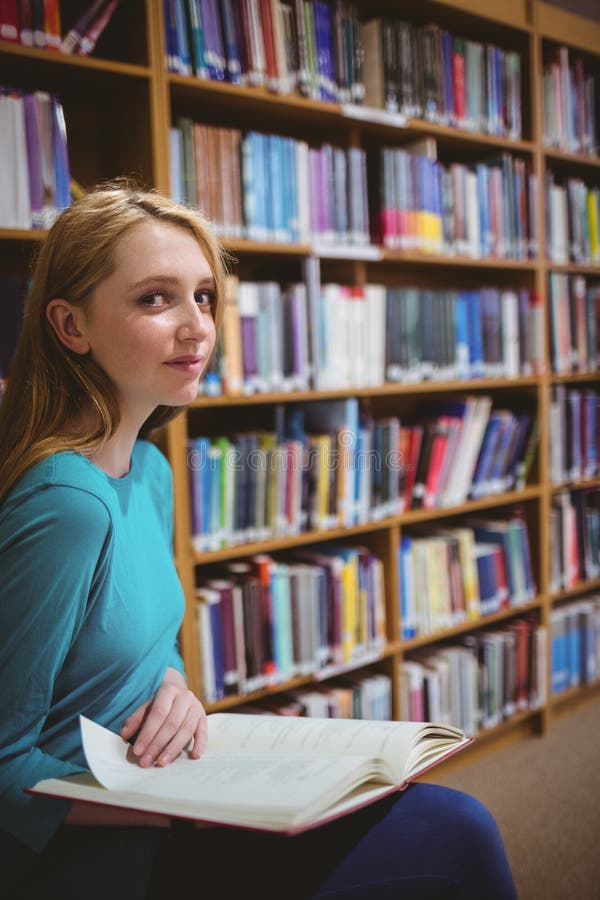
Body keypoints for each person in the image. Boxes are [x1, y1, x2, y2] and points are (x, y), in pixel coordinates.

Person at [0, 182, 518, 900]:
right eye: (156, 299)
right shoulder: (68, 504)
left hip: (164, 794)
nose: (196, 327)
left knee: (452, 823)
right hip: (103, 852)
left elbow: (141, 640)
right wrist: (171, 811)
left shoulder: (148, 468)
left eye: (204, 296)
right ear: (70, 326)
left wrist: (173, 685)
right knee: (458, 836)